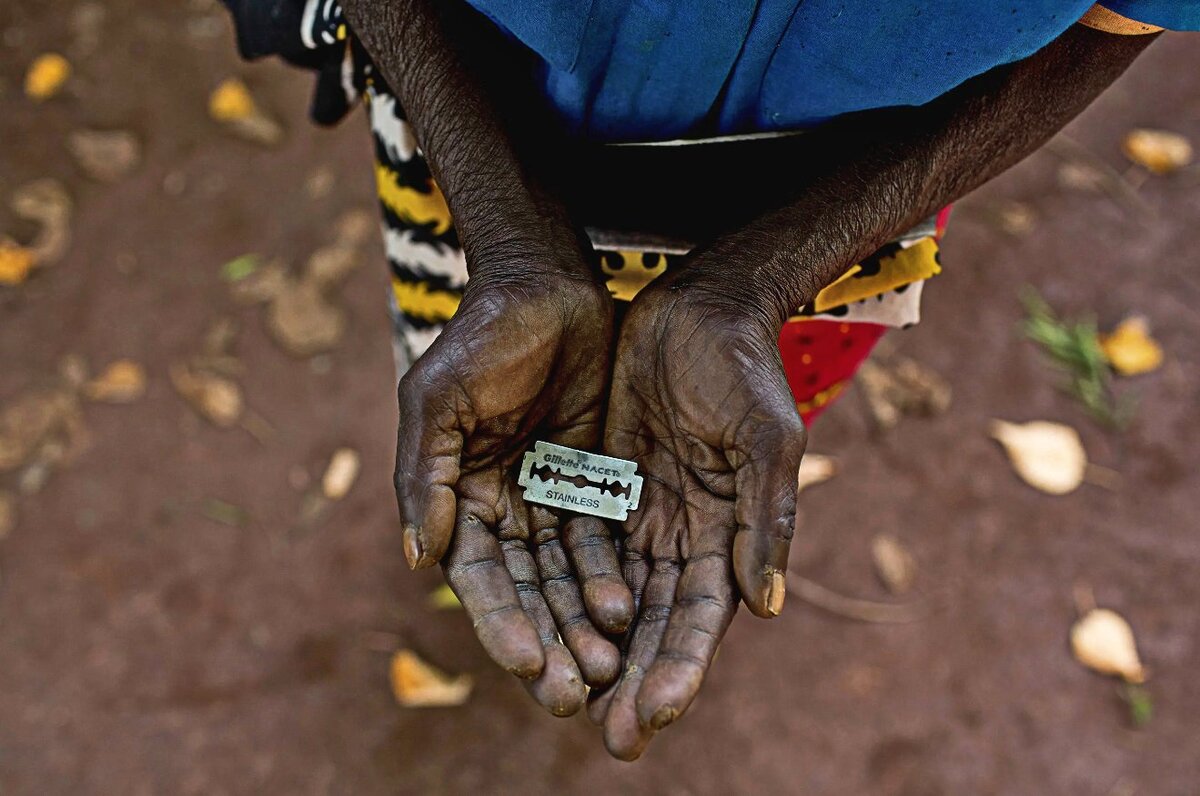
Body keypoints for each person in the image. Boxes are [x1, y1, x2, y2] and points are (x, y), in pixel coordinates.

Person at [220, 0, 1195, 760]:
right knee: (471, 367)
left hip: (842, 213)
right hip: (467, 131)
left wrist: (758, 281)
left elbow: (1125, 14)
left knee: (751, 415)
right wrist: (508, 236)